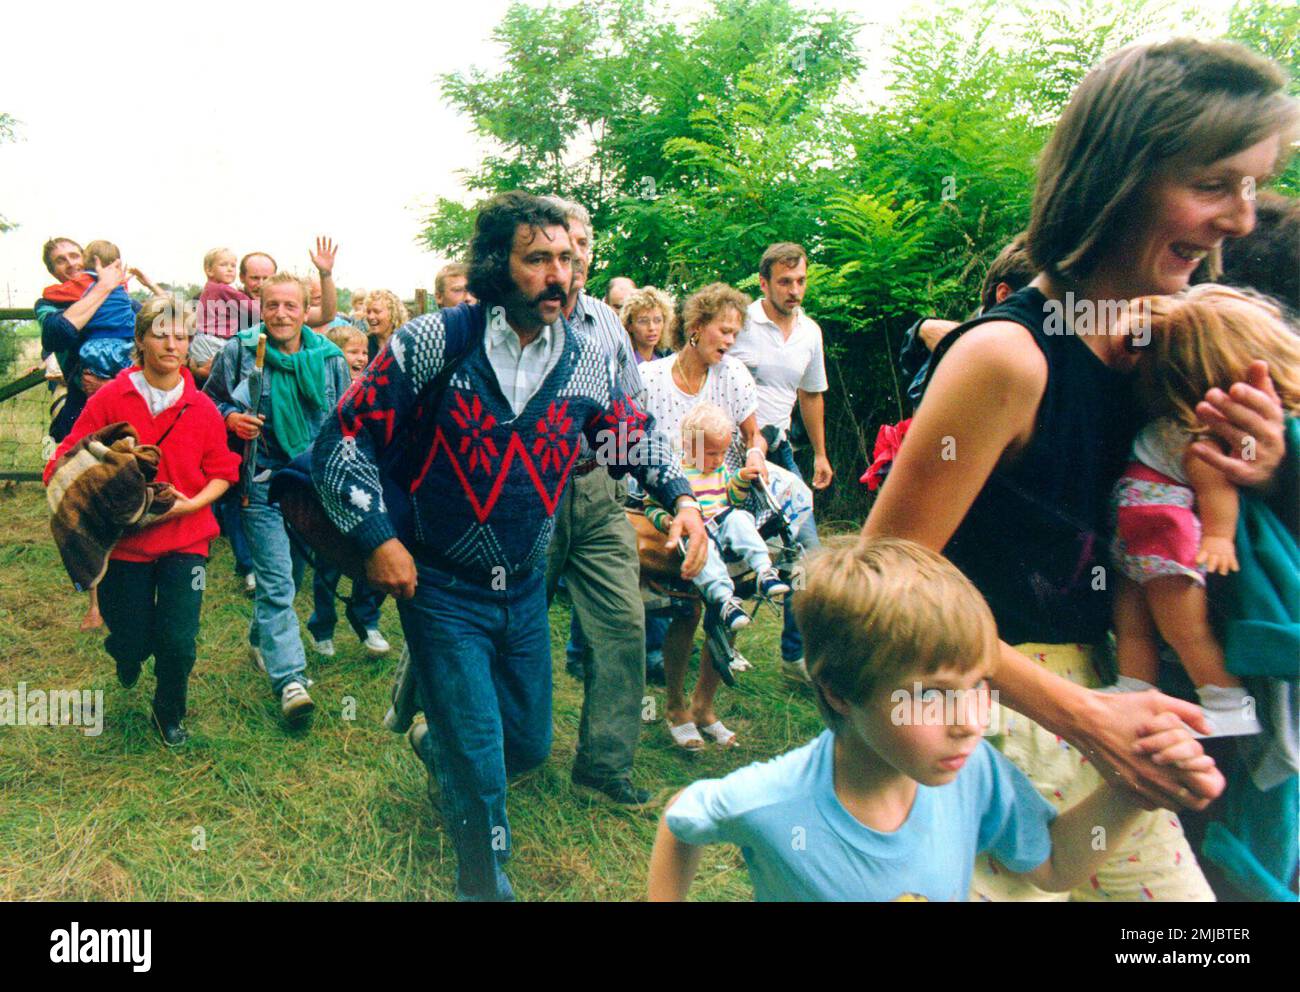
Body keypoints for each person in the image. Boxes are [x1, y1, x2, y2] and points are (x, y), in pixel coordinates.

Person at [861, 37, 1297, 900]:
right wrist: (1086, 717)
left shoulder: (1160, 343)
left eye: (1252, 186)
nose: (1242, 221)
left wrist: (1269, 464)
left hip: (1113, 694)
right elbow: (881, 582)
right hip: (976, 713)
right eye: (1212, 184)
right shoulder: (1010, 359)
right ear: (1116, 176)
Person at [312, 191, 707, 900]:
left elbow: (627, 435)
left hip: (524, 587)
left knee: (526, 744)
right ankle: (482, 881)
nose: (560, 275)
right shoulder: (433, 343)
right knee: (485, 767)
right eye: (538, 260)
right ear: (498, 266)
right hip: (440, 588)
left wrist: (679, 496)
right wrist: (376, 538)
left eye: (567, 258)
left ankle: (439, 747)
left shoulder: (588, 358)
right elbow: (342, 439)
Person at [648, 539, 1207, 901]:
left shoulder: (974, 774)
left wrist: (1136, 791)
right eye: (934, 697)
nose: (970, 721)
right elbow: (680, 818)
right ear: (840, 692)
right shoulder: (774, 802)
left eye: (978, 687)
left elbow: (1054, 864)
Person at [43, 296, 241, 746]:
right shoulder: (112, 396)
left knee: (179, 639)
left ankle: (168, 712)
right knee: (131, 635)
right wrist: (68, 486)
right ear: (140, 339)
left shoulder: (202, 407)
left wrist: (190, 506)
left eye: (182, 335)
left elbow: (223, 473)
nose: (172, 343)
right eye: (161, 333)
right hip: (125, 542)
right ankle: (126, 654)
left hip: (185, 540)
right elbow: (71, 450)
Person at [1111, 285, 1300, 734]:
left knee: (1182, 629)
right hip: (1148, 543)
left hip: (1168, 548)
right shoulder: (1176, 436)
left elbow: (1216, 485)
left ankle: (1224, 703)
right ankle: (1137, 686)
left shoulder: (1198, 444)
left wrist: (1218, 534)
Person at [539, 196, 670, 806]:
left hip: (596, 495)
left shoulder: (607, 325)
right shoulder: (502, 319)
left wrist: (664, 492)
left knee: (623, 624)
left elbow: (631, 416)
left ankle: (602, 767)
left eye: (585, 244)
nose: (577, 258)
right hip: (523, 496)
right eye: (565, 245)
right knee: (498, 623)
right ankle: (447, 727)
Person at [206, 270, 353, 724]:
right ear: (261, 307)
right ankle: (290, 679)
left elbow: (347, 420)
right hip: (263, 482)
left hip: (309, 485)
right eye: (273, 306)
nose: (281, 314)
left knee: (288, 572)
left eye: (291, 305)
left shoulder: (330, 358)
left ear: (307, 308)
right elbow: (209, 401)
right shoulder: (242, 350)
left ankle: (260, 637)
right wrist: (231, 418)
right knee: (277, 581)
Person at [637, 282, 768, 750]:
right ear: (695, 329)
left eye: (736, 333)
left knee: (725, 606)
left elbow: (755, 435)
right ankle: (675, 704)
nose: (730, 341)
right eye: (724, 331)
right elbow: (633, 444)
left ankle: (705, 705)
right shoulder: (651, 378)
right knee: (689, 608)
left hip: (723, 498)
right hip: (670, 503)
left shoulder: (734, 375)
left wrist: (755, 456)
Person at [727, 242, 831, 680]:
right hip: (727, 452)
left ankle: (794, 657)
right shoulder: (738, 323)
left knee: (807, 554)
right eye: (785, 282)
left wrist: (821, 453)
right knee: (728, 553)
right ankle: (719, 643)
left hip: (780, 450)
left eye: (801, 281)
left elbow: (810, 394)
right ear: (764, 282)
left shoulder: (810, 332)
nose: (794, 290)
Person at [644, 402, 790, 633]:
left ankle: (764, 571)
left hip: (723, 523)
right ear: (689, 447)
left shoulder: (719, 470)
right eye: (712, 453)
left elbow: (732, 498)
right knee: (702, 549)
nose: (719, 459)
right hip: (696, 532)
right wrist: (665, 520)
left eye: (723, 452)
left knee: (740, 518)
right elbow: (650, 506)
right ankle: (725, 600)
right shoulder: (674, 472)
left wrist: (740, 479)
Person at [305, 324, 390, 658]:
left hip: (367, 485)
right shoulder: (327, 392)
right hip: (330, 486)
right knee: (328, 561)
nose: (361, 358)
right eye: (352, 352)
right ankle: (322, 626)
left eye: (364, 352)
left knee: (371, 551)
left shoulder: (374, 390)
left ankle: (367, 620)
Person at [41, 239, 142, 387]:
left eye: (75, 256)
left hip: (122, 384)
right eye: (60, 260)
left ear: (86, 258)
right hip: (81, 390)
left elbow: (153, 325)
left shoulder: (121, 294)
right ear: (52, 270)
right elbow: (55, 334)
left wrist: (109, 385)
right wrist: (103, 286)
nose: (71, 263)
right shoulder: (47, 304)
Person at [191, 247, 257, 376]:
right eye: (223, 265)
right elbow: (254, 309)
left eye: (233, 266)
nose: (230, 269)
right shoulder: (223, 289)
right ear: (209, 270)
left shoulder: (209, 288)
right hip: (215, 341)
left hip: (201, 341)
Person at [621, 285, 676, 364]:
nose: (652, 328)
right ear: (629, 325)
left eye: (657, 320)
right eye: (643, 321)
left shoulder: (665, 361)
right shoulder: (624, 363)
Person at [362, 288, 409, 362]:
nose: (370, 317)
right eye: (368, 312)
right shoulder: (364, 344)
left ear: (393, 313)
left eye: (376, 311)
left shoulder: (405, 343)